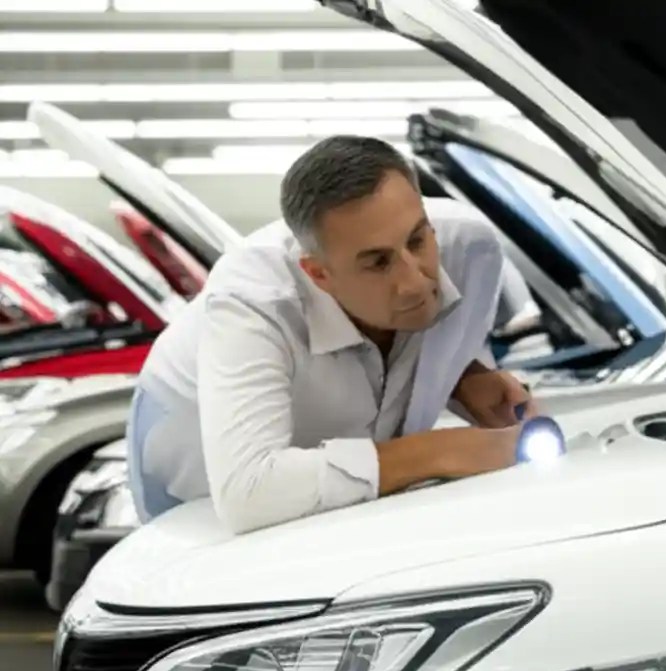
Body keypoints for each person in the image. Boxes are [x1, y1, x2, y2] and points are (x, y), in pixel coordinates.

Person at [126, 135, 535, 534]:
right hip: (194, 498)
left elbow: (440, 336)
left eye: (417, 240)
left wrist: (463, 376)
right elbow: (247, 494)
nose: (415, 283)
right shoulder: (253, 301)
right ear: (318, 274)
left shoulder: (470, 249)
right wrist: (443, 450)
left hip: (341, 503)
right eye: (377, 263)